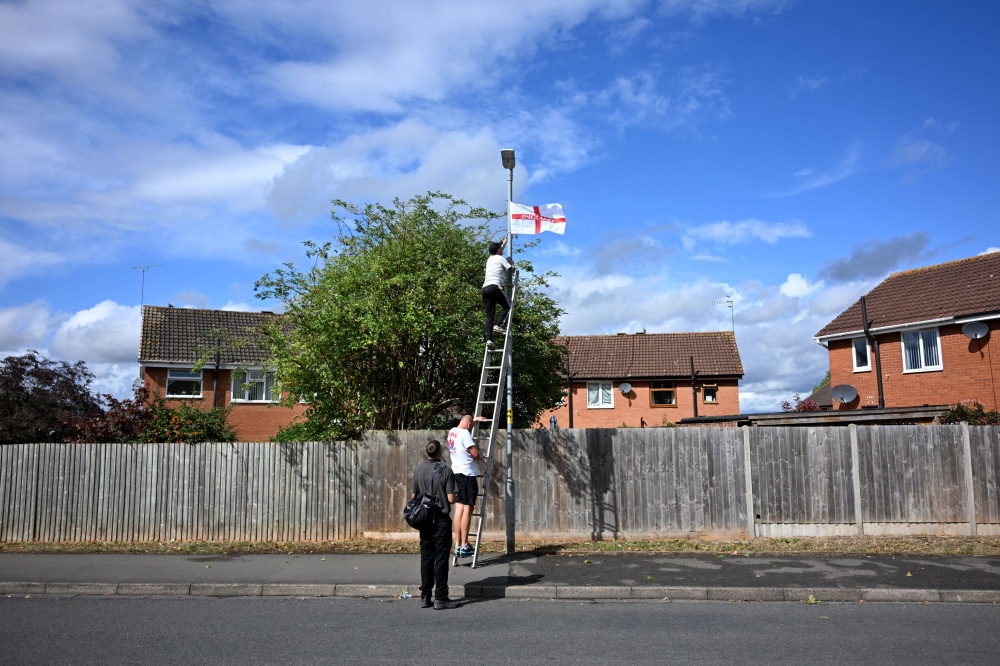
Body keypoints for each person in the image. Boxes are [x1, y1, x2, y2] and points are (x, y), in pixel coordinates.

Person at [412, 440, 459, 609]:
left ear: (427, 453)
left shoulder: (418, 470)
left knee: (426, 557)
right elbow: (451, 499)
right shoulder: (446, 471)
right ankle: (441, 597)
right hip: (440, 519)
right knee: (441, 558)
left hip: (424, 520)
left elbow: (414, 495)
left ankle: (425, 595)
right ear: (440, 453)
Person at [446, 414, 487, 558]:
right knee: (467, 510)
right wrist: (482, 456)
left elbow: (465, 426)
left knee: (459, 509)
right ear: (469, 425)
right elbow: (475, 453)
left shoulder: (452, 431)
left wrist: (474, 420)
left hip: (456, 474)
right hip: (467, 475)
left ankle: (458, 544)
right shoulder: (465, 434)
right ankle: (464, 545)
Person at [482, 240, 515, 349]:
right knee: (508, 306)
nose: (502, 250)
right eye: (501, 249)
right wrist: (511, 263)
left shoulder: (489, 259)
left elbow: (498, 247)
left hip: (485, 289)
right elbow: (512, 270)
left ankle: (489, 340)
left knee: (489, 316)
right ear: (498, 251)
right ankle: (498, 325)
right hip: (495, 287)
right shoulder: (501, 259)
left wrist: (504, 241)